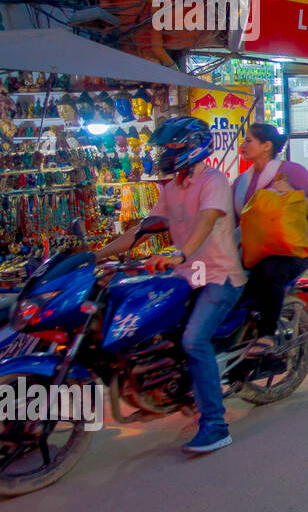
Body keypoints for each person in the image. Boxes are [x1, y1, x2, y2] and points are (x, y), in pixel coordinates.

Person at [94, 117, 247, 454]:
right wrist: (99, 254)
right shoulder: (172, 187)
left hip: (218, 275)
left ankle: (215, 425)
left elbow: (207, 222)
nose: (164, 153)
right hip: (183, 276)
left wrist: (181, 253)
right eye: (164, 148)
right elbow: (143, 229)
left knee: (194, 340)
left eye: (171, 147)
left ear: (193, 147)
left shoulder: (213, 181)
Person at [235, 123, 308, 353]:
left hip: (293, 250)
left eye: (248, 141)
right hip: (253, 250)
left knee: (269, 270)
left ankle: (267, 335)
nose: (243, 145)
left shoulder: (292, 172)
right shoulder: (241, 182)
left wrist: (292, 196)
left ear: (266, 146)